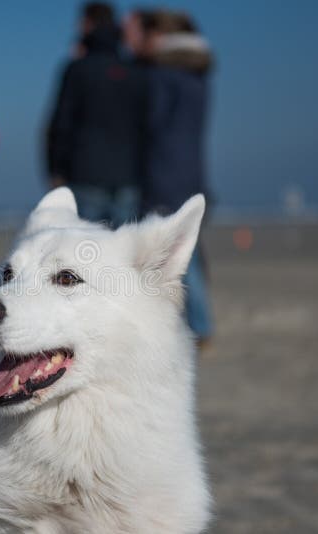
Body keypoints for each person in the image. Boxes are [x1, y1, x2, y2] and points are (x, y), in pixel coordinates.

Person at [127, 10, 215, 345]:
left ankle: (201, 326)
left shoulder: (162, 77)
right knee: (188, 252)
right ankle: (200, 324)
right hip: (191, 172)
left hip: (163, 172)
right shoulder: (197, 75)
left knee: (180, 257)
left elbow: (152, 124)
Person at [45, 2, 146, 228]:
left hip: (85, 173)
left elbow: (61, 124)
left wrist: (55, 170)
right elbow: (147, 126)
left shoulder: (78, 68)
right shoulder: (136, 70)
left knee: (86, 252)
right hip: (129, 175)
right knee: (123, 253)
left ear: (88, 24)